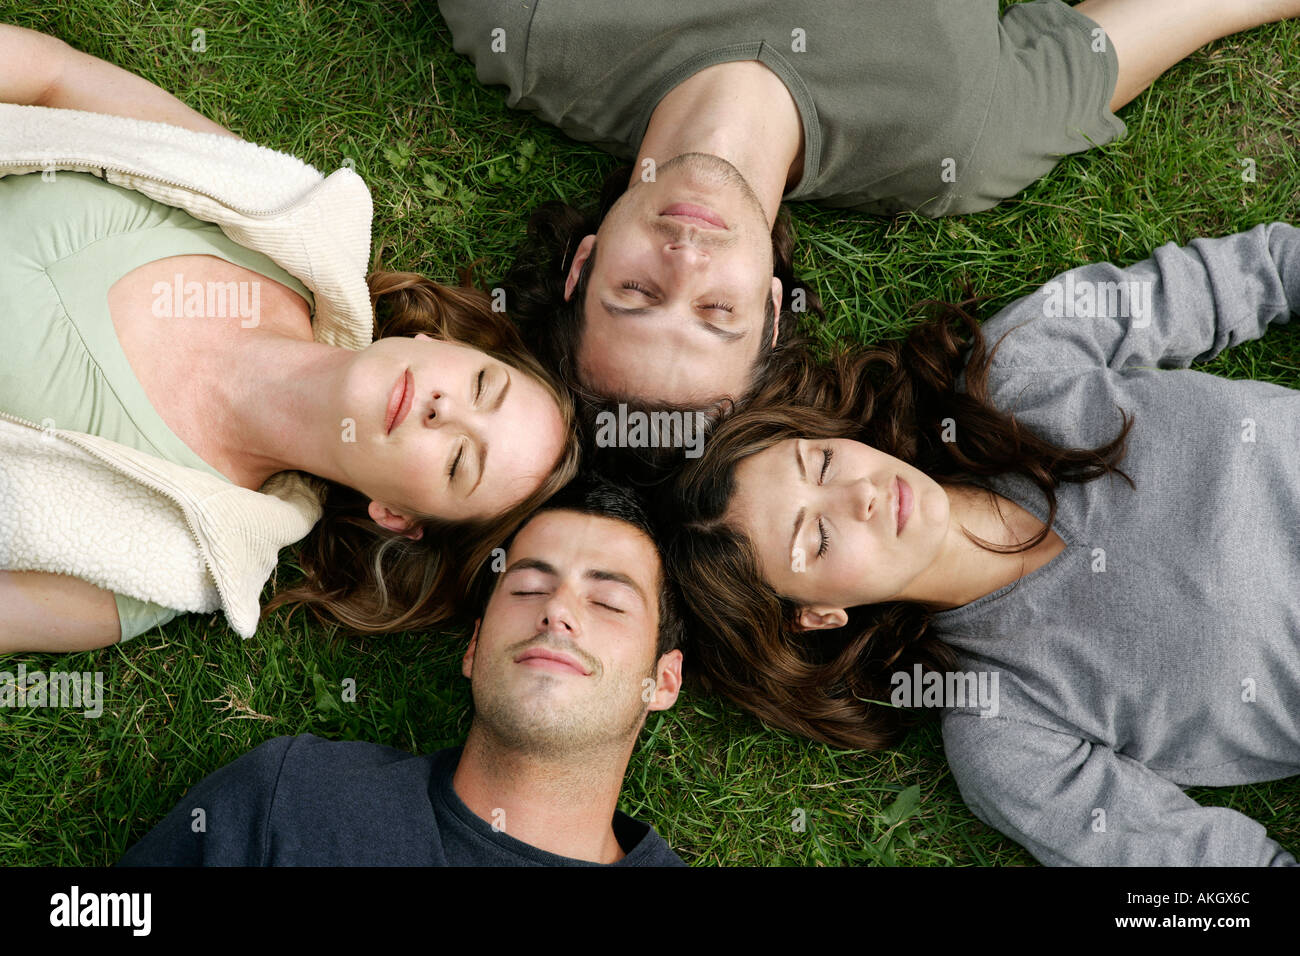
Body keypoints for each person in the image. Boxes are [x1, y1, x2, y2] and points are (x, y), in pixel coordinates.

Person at [663, 223, 1300, 865]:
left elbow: (1247, 274)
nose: (859, 496)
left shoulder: (1013, 372)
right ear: (819, 615)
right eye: (818, 536)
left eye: (822, 464)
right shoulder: (1004, 734)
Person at [0, 24, 580, 653]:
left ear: (396, 515)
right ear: (443, 343)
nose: (445, 412)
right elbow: (54, 75)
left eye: (459, 460)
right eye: (480, 385)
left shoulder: (164, 560)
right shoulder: (270, 212)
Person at [442, 0, 1300, 407]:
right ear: (773, 307)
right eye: (716, 311)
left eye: (634, 294)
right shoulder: (955, 147)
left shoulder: (527, 27)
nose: (685, 259)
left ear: (584, 262)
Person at [118, 478, 687, 866]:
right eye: (529, 586)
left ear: (663, 681)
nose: (557, 611)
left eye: (608, 602)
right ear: (474, 650)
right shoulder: (295, 796)